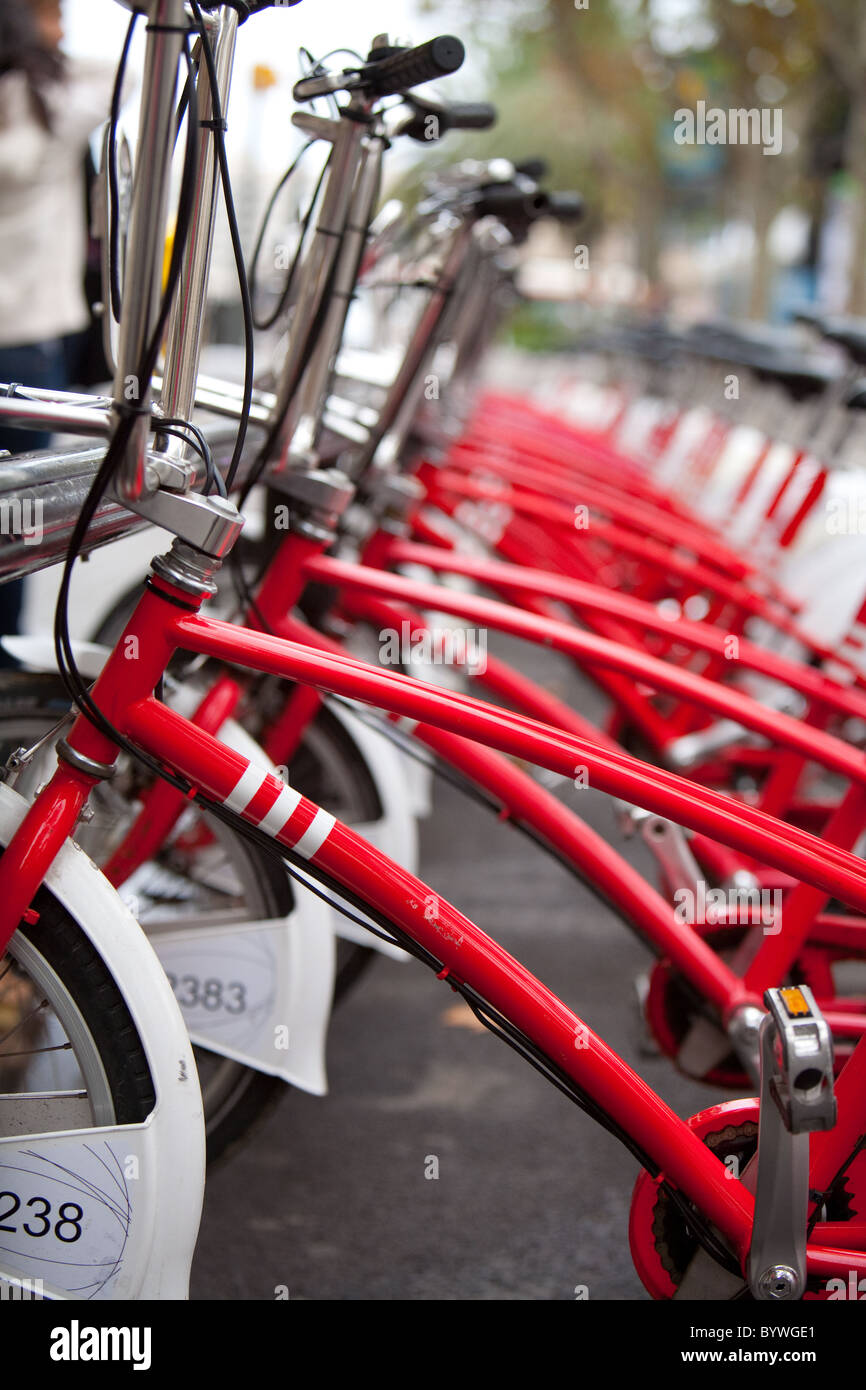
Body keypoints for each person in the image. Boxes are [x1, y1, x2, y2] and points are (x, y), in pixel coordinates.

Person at [0, 0, 115, 658]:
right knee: (16, 531)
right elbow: (133, 72)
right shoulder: (52, 101)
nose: (63, 27)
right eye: (51, 15)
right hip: (31, 352)